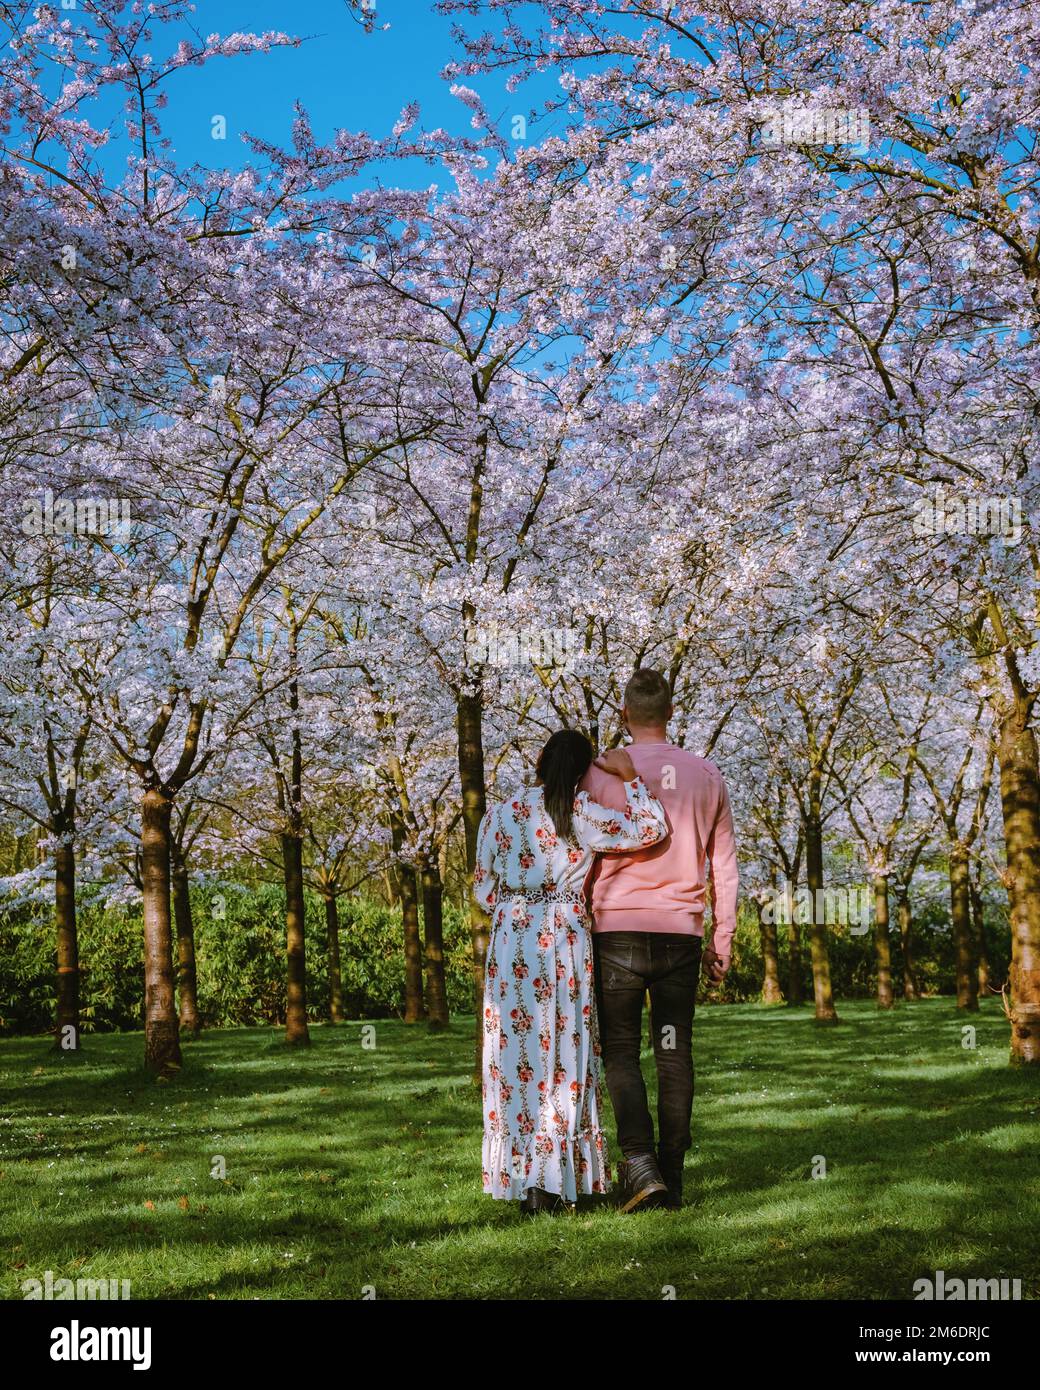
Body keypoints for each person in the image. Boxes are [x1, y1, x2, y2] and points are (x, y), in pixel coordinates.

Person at [473, 730, 668, 1215]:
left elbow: (481, 888)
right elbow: (651, 828)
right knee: (562, 1054)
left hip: (511, 938)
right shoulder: (579, 812)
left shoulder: (497, 814)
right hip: (562, 939)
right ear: (583, 772)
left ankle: (526, 1184)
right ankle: (555, 1179)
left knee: (514, 1055)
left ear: (538, 761)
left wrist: (515, 909)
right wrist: (632, 779)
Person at [580, 668, 739, 1211]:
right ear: (671, 713)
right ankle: (672, 1173)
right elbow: (726, 866)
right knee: (674, 1053)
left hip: (616, 932)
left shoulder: (600, 771)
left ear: (624, 714)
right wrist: (724, 936)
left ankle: (641, 1165)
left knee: (621, 1052)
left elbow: (580, 854)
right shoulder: (706, 773)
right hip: (680, 935)